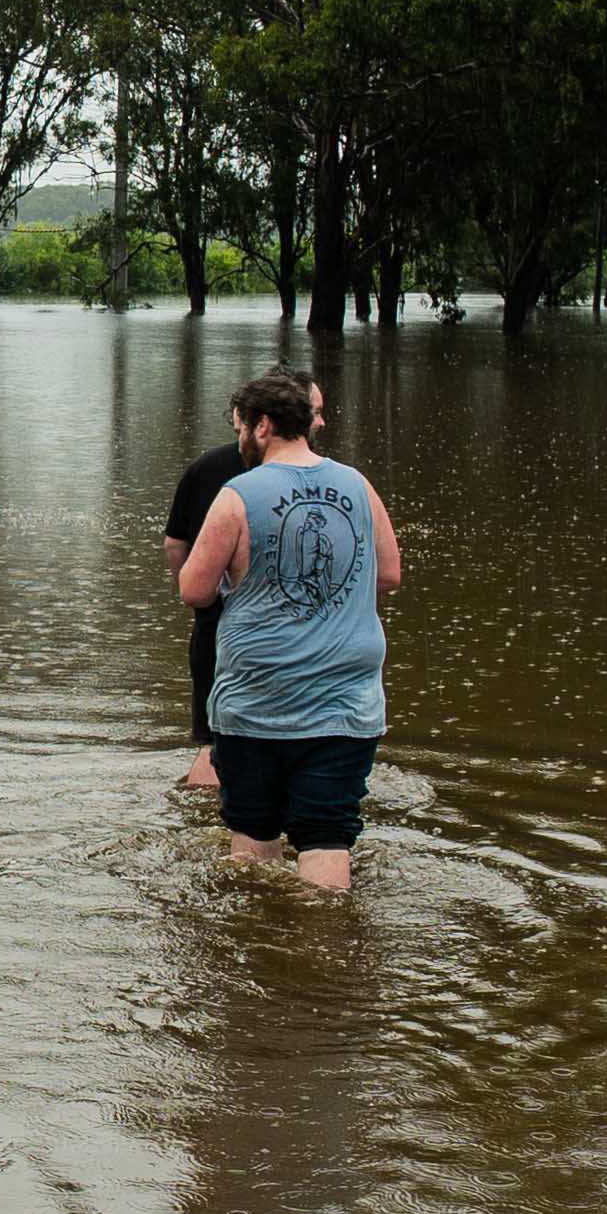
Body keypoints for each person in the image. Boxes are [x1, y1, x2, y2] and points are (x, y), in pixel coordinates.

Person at [176, 367, 401, 892]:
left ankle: (257, 955)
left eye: (243, 428)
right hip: (345, 710)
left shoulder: (237, 495)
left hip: (257, 707)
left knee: (252, 843)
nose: (240, 439)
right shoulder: (358, 485)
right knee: (327, 838)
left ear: (262, 426)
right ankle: (325, 961)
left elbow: (194, 589)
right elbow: (388, 575)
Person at [160, 397, 261, 789]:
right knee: (228, 740)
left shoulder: (203, 467)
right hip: (260, 627)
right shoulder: (305, 475)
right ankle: (207, 814)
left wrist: (197, 596)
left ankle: (199, 813)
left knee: (213, 735)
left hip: (213, 619)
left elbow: (174, 544)